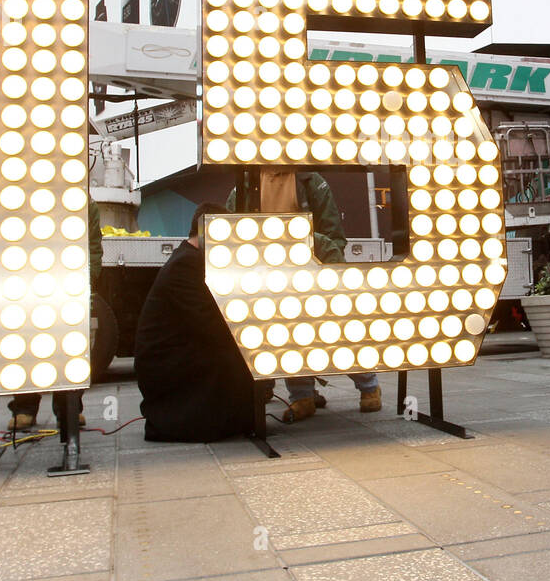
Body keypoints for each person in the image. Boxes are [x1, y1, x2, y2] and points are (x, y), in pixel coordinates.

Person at [227, 170, 380, 423]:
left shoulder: (311, 181)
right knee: (287, 334)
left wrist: (329, 267)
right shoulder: (246, 182)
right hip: (268, 271)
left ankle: (369, 385)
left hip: (313, 262)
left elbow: (332, 231)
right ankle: (302, 396)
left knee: (336, 330)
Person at [134, 202, 254, 442]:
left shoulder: (188, 258)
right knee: (235, 353)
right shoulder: (186, 264)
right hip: (169, 365)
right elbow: (209, 323)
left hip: (174, 357)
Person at [7, 199, 103, 431]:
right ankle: (24, 407)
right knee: (25, 345)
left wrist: (87, 277)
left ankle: (68, 409)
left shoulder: (82, 200)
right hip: (25, 279)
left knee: (68, 348)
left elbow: (92, 244)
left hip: (67, 280)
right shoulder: (20, 195)